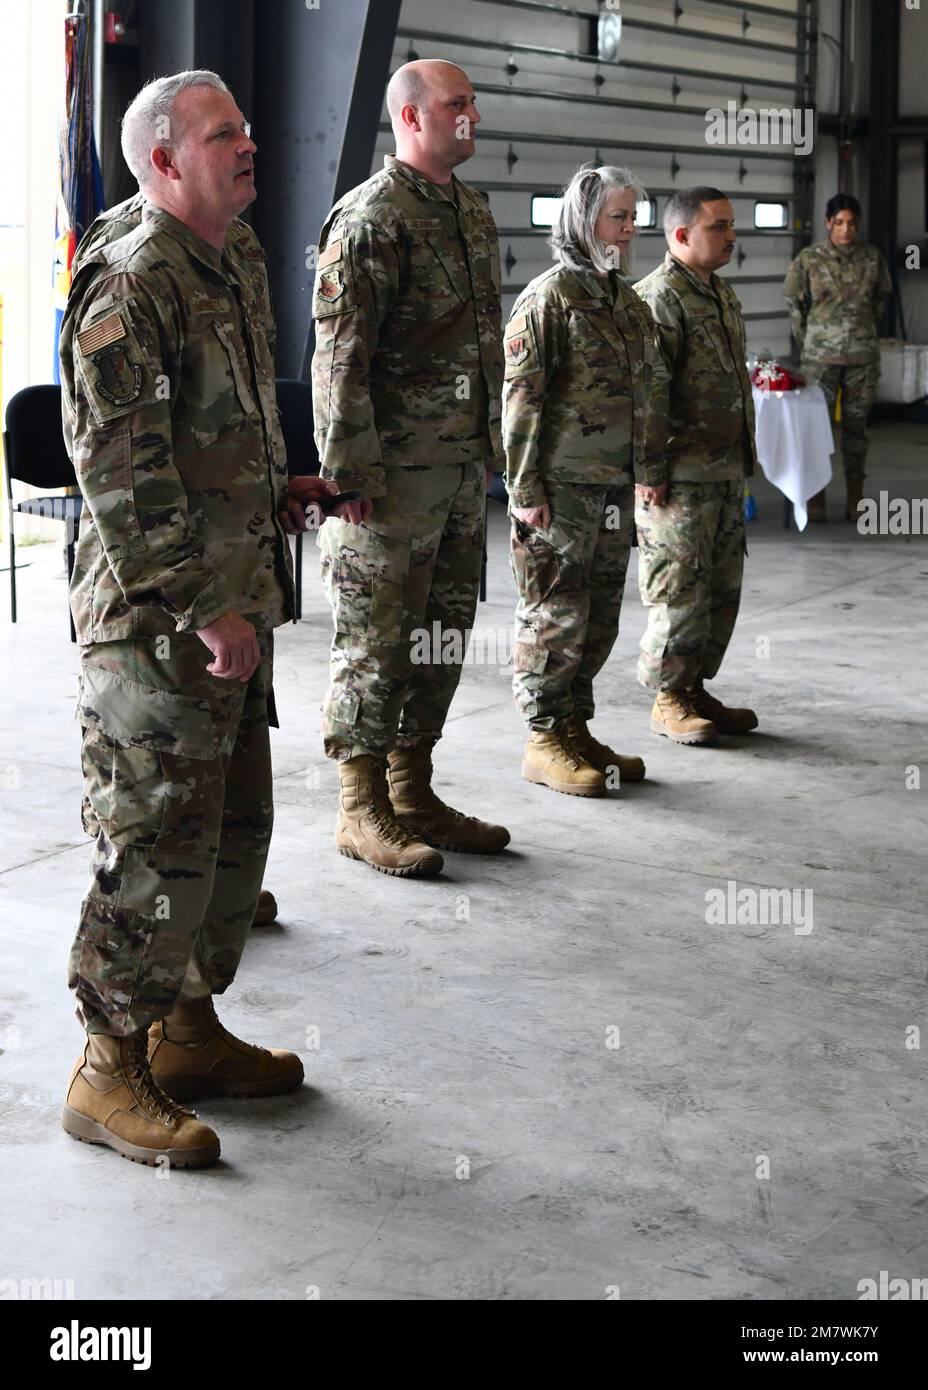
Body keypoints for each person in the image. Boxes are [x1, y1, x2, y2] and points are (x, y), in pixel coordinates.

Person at [59, 71, 335, 1167]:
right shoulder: (131, 280)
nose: (250, 143)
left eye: (247, 127)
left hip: (231, 598)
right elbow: (120, 474)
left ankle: (183, 1028)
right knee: (152, 841)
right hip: (159, 619)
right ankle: (104, 1068)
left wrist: (280, 491)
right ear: (165, 161)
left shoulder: (234, 253)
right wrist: (203, 601)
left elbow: (219, 425)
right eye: (225, 134)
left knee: (229, 838)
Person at [311, 59, 510, 877]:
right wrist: (348, 475)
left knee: (439, 637)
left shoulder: (469, 210)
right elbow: (339, 359)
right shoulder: (371, 219)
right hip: (388, 483)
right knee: (376, 643)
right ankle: (361, 808)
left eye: (471, 102)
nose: (472, 114)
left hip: (459, 471)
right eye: (456, 104)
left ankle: (412, 789)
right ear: (410, 117)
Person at [501, 164, 666, 796]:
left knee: (598, 618)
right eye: (617, 218)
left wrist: (646, 476)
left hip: (612, 493)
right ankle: (543, 738)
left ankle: (574, 726)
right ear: (583, 221)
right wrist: (524, 492)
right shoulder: (549, 300)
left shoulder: (625, 302)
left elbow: (650, 397)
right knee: (554, 616)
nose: (627, 232)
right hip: (560, 493)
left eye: (633, 219)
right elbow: (521, 406)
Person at [633, 187, 759, 745]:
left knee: (720, 588)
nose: (731, 236)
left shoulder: (720, 295)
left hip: (724, 470)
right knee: (678, 588)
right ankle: (668, 697)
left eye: (732, 226)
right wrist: (649, 467)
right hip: (679, 476)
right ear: (682, 235)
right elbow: (646, 393)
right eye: (720, 227)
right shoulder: (660, 298)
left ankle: (695, 686)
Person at [783, 193, 892, 521]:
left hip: (861, 357)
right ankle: (816, 498)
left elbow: (880, 301)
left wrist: (860, 333)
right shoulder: (809, 258)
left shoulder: (872, 258)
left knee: (857, 428)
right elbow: (796, 305)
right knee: (817, 429)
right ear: (829, 222)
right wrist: (813, 343)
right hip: (820, 358)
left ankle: (855, 499)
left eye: (852, 223)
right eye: (840, 222)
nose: (846, 229)